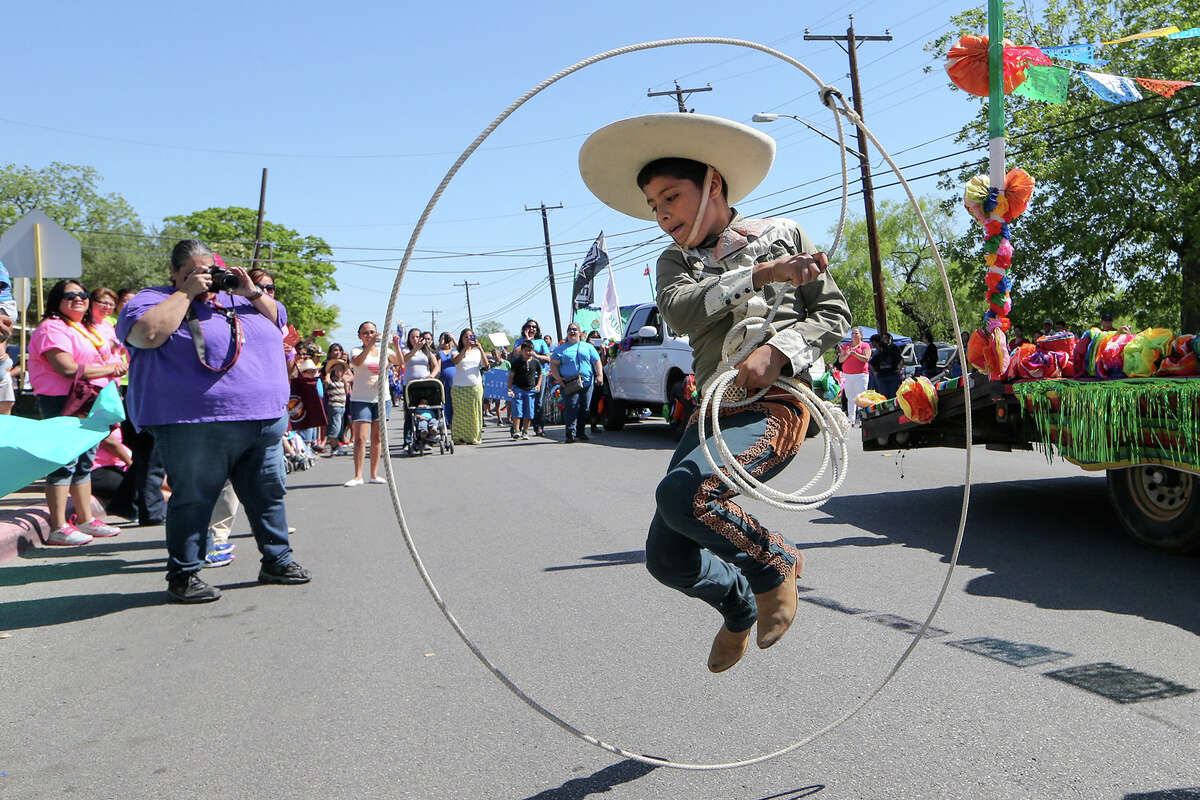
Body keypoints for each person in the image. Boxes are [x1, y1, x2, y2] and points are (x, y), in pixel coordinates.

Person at [578, 112, 850, 672]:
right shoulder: (676, 262)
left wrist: (779, 351)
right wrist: (761, 276)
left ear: (714, 184)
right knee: (665, 556)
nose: (662, 215)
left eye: (671, 197)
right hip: (712, 411)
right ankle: (738, 604)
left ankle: (775, 564)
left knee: (685, 497)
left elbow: (835, 315)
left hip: (778, 406)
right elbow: (679, 310)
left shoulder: (787, 234)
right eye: (655, 206)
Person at [117, 239, 310, 602]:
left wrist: (252, 292)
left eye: (210, 271)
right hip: (194, 422)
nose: (205, 278)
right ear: (173, 273)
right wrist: (187, 292)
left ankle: (277, 560)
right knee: (193, 498)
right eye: (192, 272)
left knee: (267, 494)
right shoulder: (151, 299)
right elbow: (147, 335)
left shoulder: (242, 299)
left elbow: (279, 321)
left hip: (264, 418)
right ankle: (185, 574)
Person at [28, 279, 128, 545]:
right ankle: (58, 526)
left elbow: (101, 358)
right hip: (62, 400)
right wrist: (110, 369)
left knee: (85, 460)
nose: (79, 299)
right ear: (56, 301)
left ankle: (85, 519)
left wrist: (114, 362)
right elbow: (67, 368)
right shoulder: (52, 328)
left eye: (82, 294)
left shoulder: (86, 328)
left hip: (90, 399)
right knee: (64, 461)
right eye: (69, 295)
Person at [345, 320, 402, 485]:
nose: (369, 335)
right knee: (360, 439)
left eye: (372, 332)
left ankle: (374, 474)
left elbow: (399, 361)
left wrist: (397, 345)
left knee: (377, 438)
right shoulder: (356, 350)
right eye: (365, 333)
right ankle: (358, 475)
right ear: (359, 336)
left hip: (382, 399)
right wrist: (369, 345)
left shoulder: (385, 350)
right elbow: (356, 362)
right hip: (361, 399)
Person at [550, 323, 604, 443]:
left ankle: (581, 432)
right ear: (567, 333)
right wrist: (558, 379)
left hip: (587, 382)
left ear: (579, 333)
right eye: (570, 330)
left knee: (585, 408)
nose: (572, 332)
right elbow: (553, 364)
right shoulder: (561, 349)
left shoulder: (588, 347)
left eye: (575, 330)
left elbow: (597, 361)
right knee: (572, 407)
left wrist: (599, 375)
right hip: (569, 383)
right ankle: (570, 433)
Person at [513, 319, 553, 435]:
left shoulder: (541, 342)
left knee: (538, 403)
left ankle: (538, 427)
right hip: (523, 376)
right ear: (525, 328)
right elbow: (515, 353)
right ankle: (518, 427)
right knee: (521, 402)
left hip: (539, 376)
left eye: (534, 327)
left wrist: (536, 355)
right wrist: (527, 341)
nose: (532, 329)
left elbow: (548, 358)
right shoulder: (520, 341)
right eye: (529, 326)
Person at [450, 328, 488, 444]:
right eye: (465, 337)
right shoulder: (456, 351)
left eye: (470, 337)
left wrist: (480, 348)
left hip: (475, 386)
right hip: (459, 387)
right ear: (461, 339)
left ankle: (474, 437)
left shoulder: (477, 351)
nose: (468, 339)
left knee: (474, 412)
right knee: (460, 413)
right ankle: (458, 438)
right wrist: (465, 349)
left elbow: (486, 366)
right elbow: (456, 361)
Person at [506, 339, 542, 439]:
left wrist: (538, 385)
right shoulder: (517, 362)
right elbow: (511, 376)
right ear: (522, 351)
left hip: (530, 391)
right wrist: (509, 388)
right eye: (526, 350)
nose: (528, 353)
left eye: (530, 350)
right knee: (517, 411)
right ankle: (516, 430)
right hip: (518, 389)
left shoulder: (535, 362)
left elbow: (540, 374)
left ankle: (525, 431)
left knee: (529, 412)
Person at [837, 327, 871, 425]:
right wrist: (848, 354)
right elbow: (840, 360)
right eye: (853, 333)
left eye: (856, 333)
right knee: (850, 397)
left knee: (860, 396)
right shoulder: (846, 346)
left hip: (861, 375)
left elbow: (866, 358)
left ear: (861, 335)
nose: (854, 335)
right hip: (848, 375)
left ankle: (861, 419)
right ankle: (851, 418)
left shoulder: (865, 345)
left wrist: (855, 354)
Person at [869, 331, 903, 399]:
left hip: (886, 377)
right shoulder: (880, 354)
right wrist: (899, 369)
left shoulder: (888, 352)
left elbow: (871, 363)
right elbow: (901, 359)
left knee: (885, 396)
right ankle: (892, 408)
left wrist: (875, 372)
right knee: (892, 395)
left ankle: (887, 408)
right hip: (888, 376)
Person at [436, 332, 457, 429]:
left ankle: (455, 422)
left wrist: (453, 339)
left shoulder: (455, 351)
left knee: (455, 402)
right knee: (446, 402)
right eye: (445, 340)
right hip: (444, 381)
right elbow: (433, 354)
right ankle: (447, 422)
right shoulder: (439, 352)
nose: (447, 343)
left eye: (448, 341)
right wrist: (441, 344)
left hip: (456, 381)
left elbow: (463, 350)